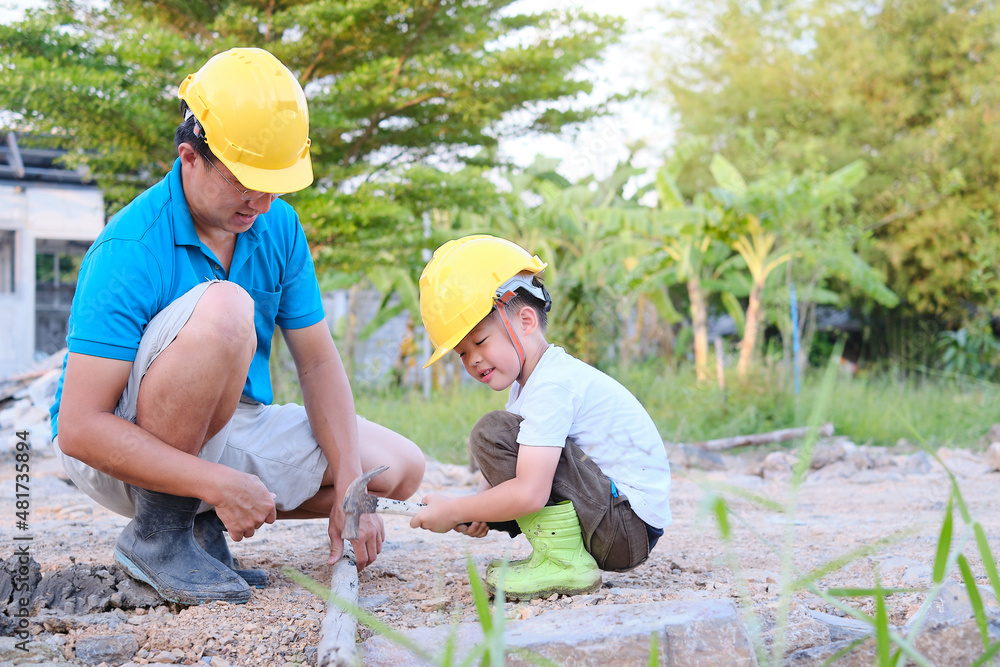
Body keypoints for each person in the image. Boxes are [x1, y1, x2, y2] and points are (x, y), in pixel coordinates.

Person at [50, 47, 425, 606]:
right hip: (115, 451)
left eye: (274, 185)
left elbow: (318, 362)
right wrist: (215, 481)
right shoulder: (129, 245)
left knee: (395, 471)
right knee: (226, 307)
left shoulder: (277, 225)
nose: (262, 201)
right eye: (245, 182)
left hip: (226, 427)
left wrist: (351, 492)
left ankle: (201, 526)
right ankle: (159, 534)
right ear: (190, 157)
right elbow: (79, 428)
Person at [410, 234, 670, 600]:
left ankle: (565, 563)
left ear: (526, 320)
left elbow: (531, 491)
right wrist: (468, 506)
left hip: (626, 528)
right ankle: (560, 556)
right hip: (621, 522)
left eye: (480, 342)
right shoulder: (533, 384)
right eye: (461, 353)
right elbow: (521, 474)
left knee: (491, 434)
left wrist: (456, 509)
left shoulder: (552, 386)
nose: (473, 360)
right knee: (502, 449)